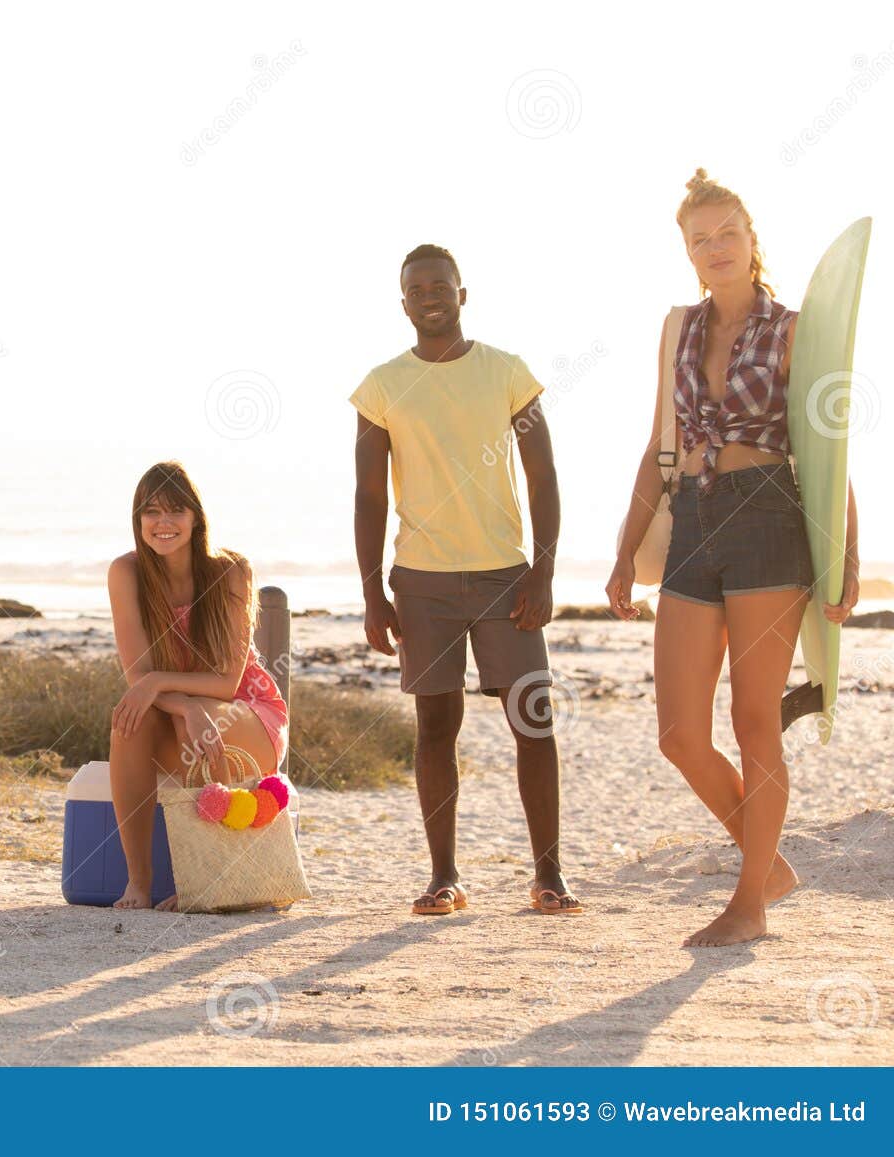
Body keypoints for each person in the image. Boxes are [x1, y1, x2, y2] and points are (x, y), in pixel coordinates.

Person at [607, 170, 860, 947]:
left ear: (753, 241)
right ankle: (770, 864)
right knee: (680, 732)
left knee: (756, 722)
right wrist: (625, 550)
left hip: (769, 520)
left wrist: (847, 552)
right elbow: (661, 447)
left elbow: (827, 445)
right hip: (695, 520)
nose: (716, 248)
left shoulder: (793, 330)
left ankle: (748, 903)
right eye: (700, 239)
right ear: (687, 253)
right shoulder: (677, 326)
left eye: (728, 234)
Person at [353, 244, 582, 917]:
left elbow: (543, 476)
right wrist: (373, 592)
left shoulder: (508, 373)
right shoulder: (381, 387)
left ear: (462, 293)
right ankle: (444, 876)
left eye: (440, 285)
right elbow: (368, 496)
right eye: (416, 288)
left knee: (533, 722)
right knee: (435, 727)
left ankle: (549, 875)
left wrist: (543, 570)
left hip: (504, 576)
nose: (429, 295)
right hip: (421, 581)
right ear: (403, 303)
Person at [107, 461, 290, 911]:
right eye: (151, 512)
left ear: (196, 518)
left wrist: (168, 690)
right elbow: (138, 681)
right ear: (138, 521)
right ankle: (139, 882)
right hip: (179, 713)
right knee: (129, 722)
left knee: (202, 724)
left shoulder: (229, 571)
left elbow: (228, 682)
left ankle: (205, 880)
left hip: (248, 711)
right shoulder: (126, 573)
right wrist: (184, 703)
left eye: (176, 511)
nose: (163, 523)